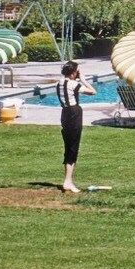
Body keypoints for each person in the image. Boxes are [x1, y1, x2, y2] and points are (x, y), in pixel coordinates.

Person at [56, 60, 95, 193]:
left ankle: (68, 180)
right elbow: (92, 92)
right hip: (74, 113)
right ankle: (68, 182)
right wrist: (83, 79)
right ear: (73, 73)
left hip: (65, 113)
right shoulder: (73, 84)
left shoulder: (59, 83)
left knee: (68, 147)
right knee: (73, 147)